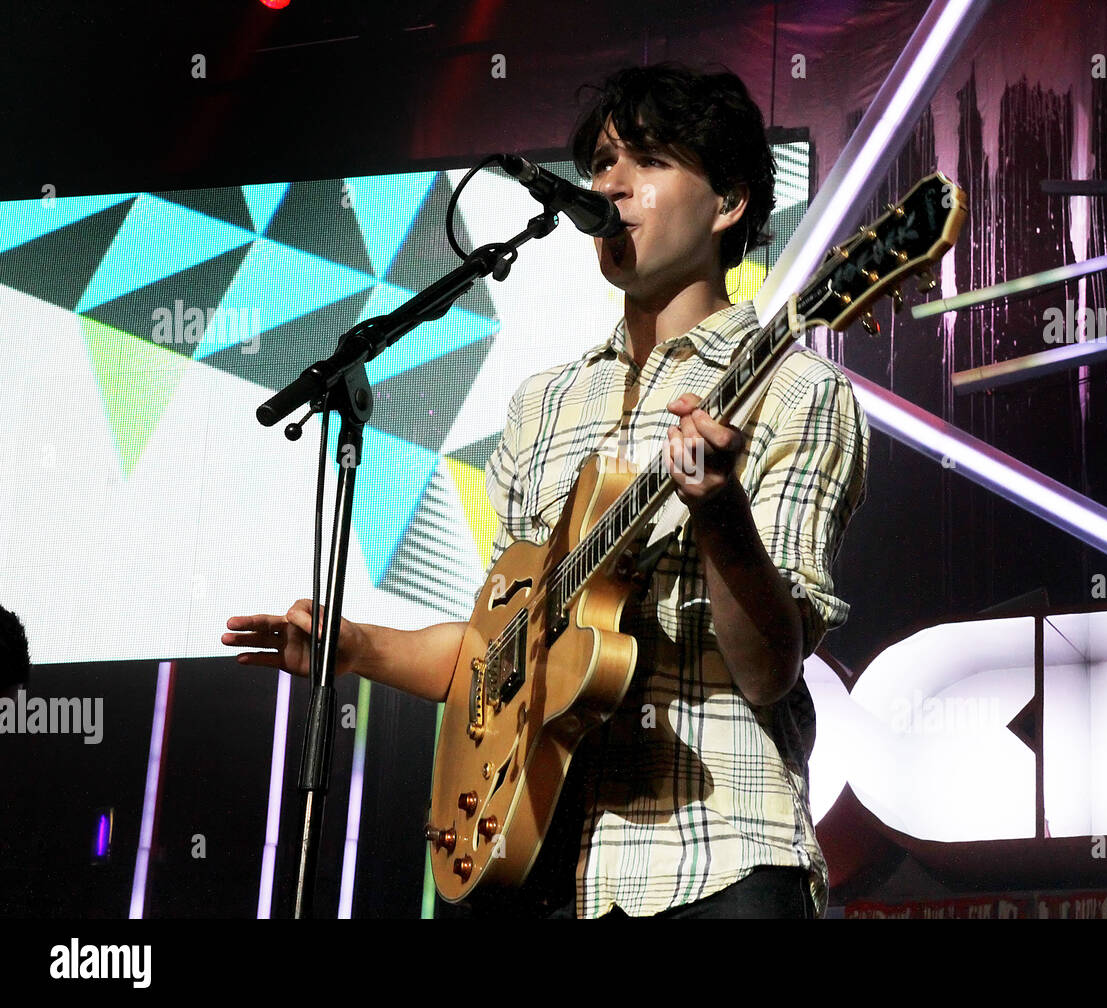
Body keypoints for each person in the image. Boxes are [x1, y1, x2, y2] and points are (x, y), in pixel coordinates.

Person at [223, 62, 869, 918]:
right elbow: (503, 648)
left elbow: (769, 669)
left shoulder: (796, 392)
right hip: (547, 873)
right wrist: (355, 648)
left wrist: (719, 512)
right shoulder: (543, 404)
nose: (612, 185)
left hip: (719, 859)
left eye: (648, 160)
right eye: (602, 162)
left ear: (730, 202)